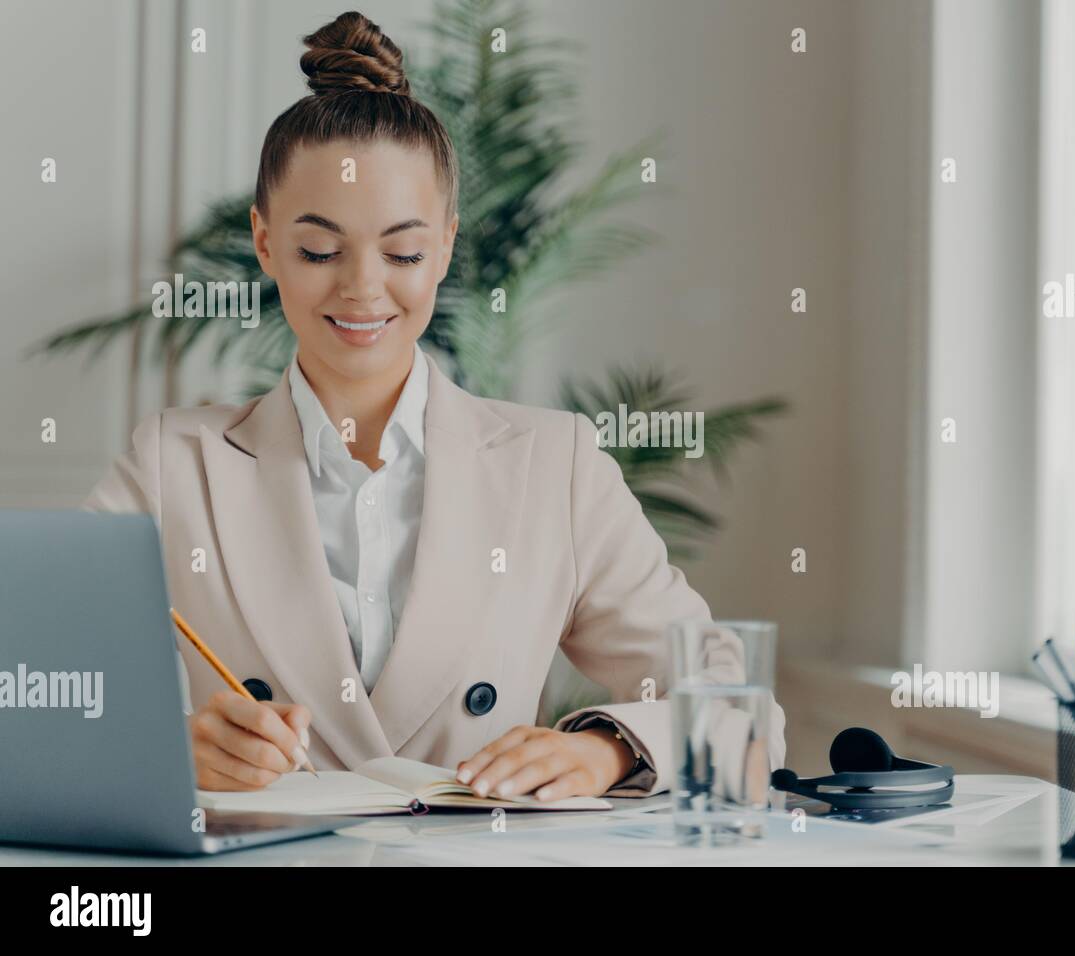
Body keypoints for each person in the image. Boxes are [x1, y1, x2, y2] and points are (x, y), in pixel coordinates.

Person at [83, 10, 786, 802]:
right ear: (265, 241)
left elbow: (739, 705)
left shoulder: (553, 464)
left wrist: (606, 753)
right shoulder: (176, 464)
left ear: (447, 247)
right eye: (319, 250)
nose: (361, 286)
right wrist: (172, 747)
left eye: (404, 251)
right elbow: (41, 691)